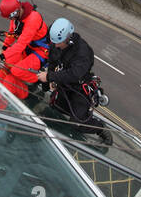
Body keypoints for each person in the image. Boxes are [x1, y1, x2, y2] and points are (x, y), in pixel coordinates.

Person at [37, 17, 112, 145]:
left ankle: (101, 129)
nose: (55, 45)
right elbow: (53, 60)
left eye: (58, 43)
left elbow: (74, 74)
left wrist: (50, 77)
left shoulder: (83, 53)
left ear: (68, 39)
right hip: (64, 84)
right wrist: (49, 78)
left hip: (80, 88)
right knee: (56, 107)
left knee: (77, 123)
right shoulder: (57, 44)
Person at [0, 0, 50, 101]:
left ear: (15, 13)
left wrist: (1, 56)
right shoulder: (16, 18)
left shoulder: (33, 19)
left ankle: (38, 81)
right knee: (7, 64)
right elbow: (11, 35)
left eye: (10, 18)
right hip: (28, 47)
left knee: (16, 71)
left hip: (41, 51)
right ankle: (16, 83)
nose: (10, 20)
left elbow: (20, 45)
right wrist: (4, 50)